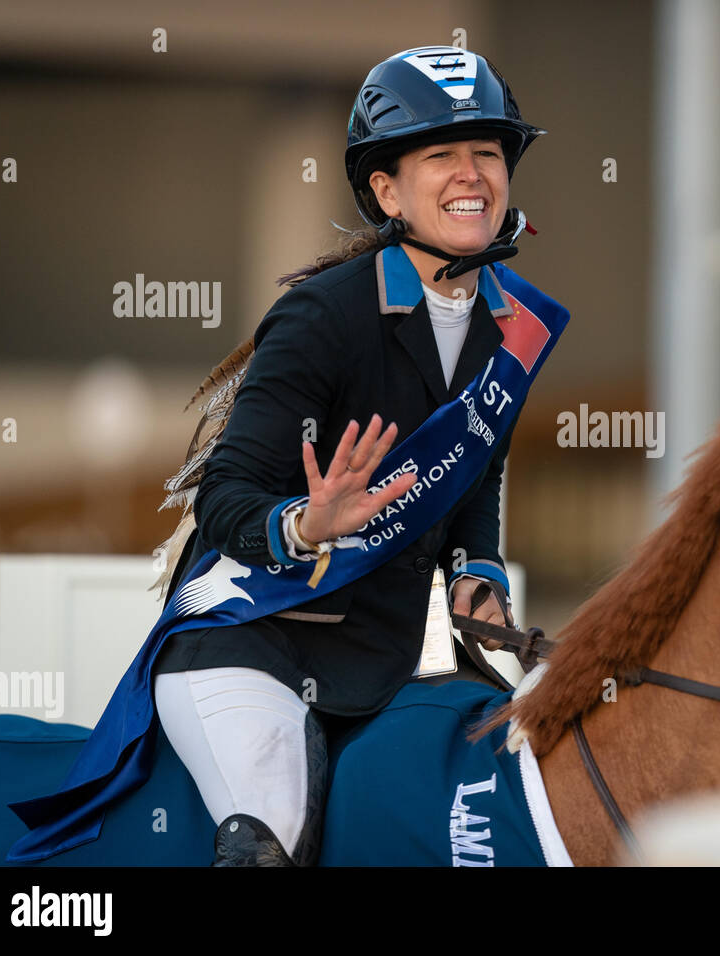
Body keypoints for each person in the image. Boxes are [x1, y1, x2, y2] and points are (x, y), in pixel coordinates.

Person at [145, 45, 554, 865]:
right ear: (386, 189)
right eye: (441, 155)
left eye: (487, 152)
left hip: (380, 666)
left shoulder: (508, 327)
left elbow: (476, 476)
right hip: (246, 646)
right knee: (269, 837)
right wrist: (305, 523)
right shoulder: (321, 318)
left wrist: (479, 573)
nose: (471, 173)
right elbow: (227, 497)